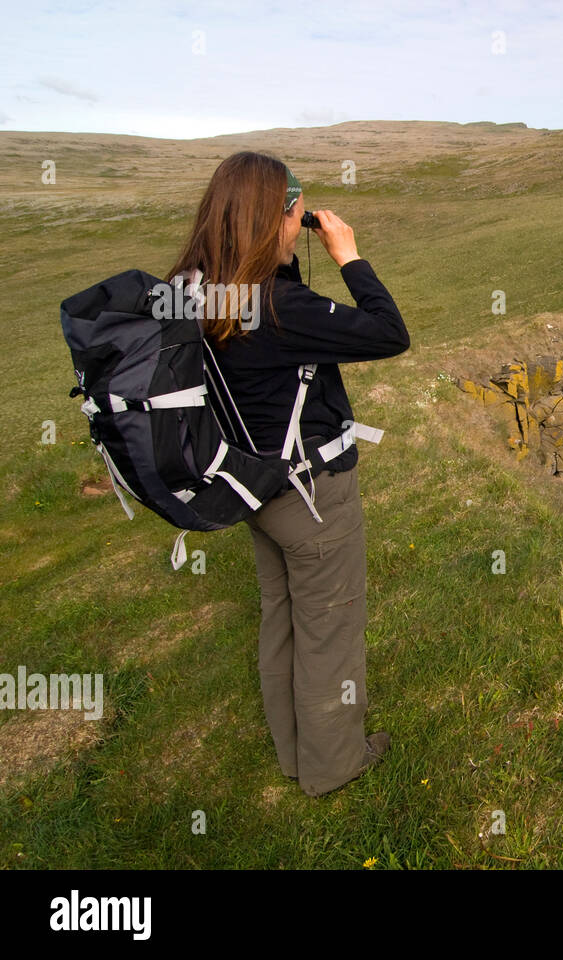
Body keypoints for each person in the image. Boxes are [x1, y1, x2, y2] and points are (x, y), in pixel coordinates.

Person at [164, 151, 409, 797]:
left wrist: (283, 247)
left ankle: (296, 752)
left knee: (283, 615)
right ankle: (333, 766)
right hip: (309, 492)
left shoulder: (193, 289)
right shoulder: (279, 305)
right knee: (329, 626)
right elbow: (388, 332)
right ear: (277, 215)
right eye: (294, 205)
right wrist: (348, 254)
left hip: (250, 484)